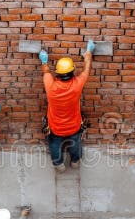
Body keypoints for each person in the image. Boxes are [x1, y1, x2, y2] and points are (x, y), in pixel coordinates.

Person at [39, 40, 95, 172]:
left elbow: (46, 71)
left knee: (54, 146)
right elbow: (87, 69)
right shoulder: (77, 84)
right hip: (74, 127)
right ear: (72, 71)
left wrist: (44, 60)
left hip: (55, 127)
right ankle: (75, 161)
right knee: (76, 145)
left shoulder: (50, 86)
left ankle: (59, 164)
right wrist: (89, 53)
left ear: (57, 73)